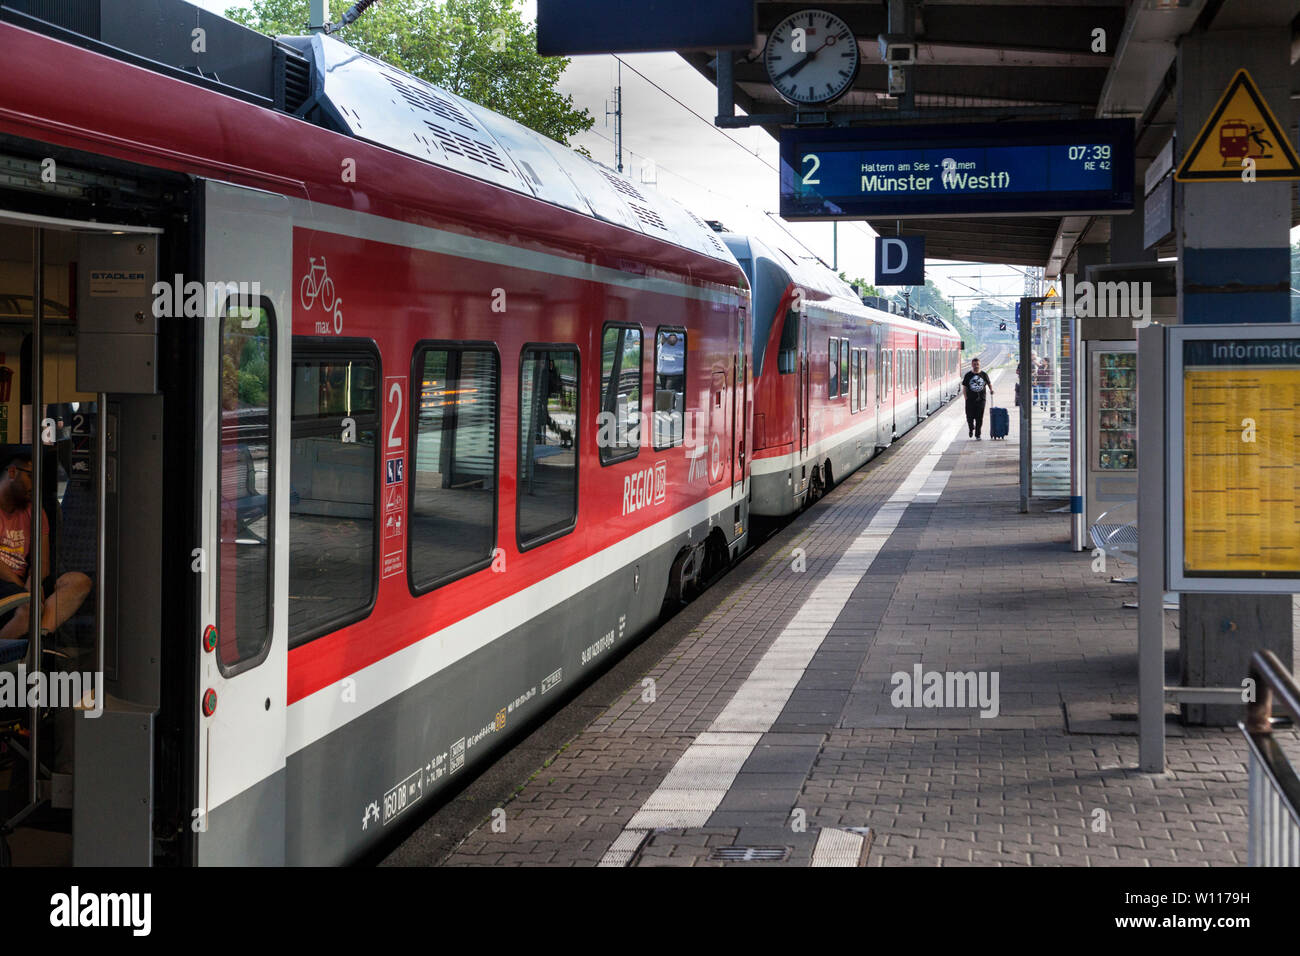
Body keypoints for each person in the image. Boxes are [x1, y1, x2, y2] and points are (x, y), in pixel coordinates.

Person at [0, 453, 91, 642]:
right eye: (30, 476)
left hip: (24, 583)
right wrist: (24, 592)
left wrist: (33, 583)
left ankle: (37, 639)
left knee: (79, 581)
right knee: (28, 609)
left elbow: (42, 561)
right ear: (12, 472)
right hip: (5, 582)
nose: (34, 485)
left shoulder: (35, 510)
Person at [962, 357, 993, 439]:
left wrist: (991, 390)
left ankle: (978, 434)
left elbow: (989, 383)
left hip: (981, 400)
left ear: (980, 364)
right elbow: (964, 388)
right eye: (974, 364)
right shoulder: (968, 375)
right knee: (969, 417)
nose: (976, 366)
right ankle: (971, 428)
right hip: (970, 400)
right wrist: (966, 398)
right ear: (972, 365)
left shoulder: (984, 374)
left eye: (977, 364)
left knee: (979, 417)